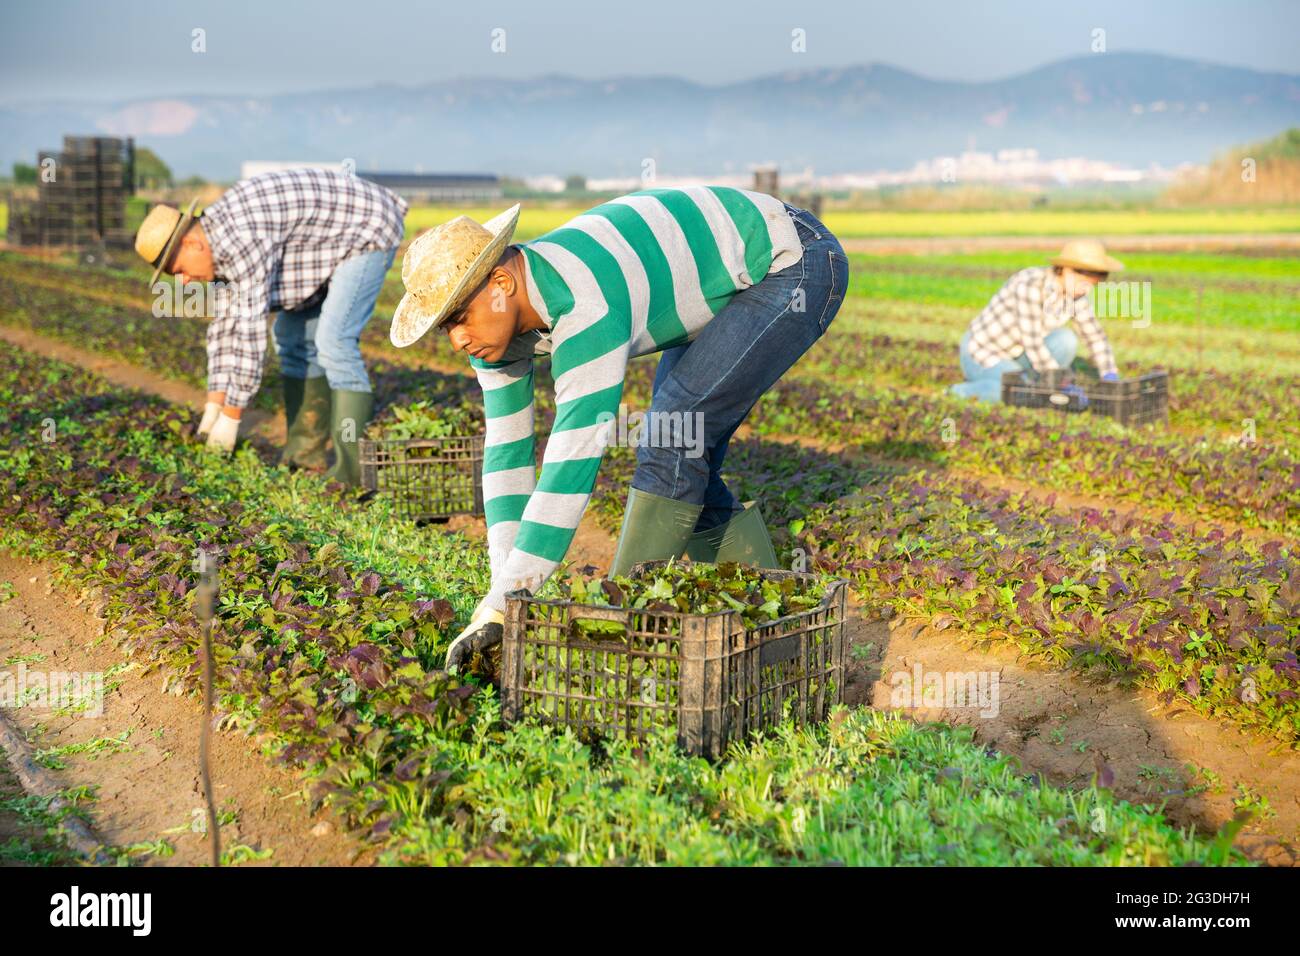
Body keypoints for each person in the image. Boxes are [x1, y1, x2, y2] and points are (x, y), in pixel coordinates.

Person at [388, 187, 849, 671]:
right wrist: (500, 597)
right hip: (723, 276)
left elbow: (572, 460)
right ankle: (772, 627)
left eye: (460, 318)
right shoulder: (494, 336)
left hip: (791, 261)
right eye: (446, 327)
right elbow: (507, 451)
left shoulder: (586, 302)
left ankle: (621, 635)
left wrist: (505, 605)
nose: (458, 339)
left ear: (501, 282)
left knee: (672, 435)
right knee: (685, 448)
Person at [132, 168, 408, 484]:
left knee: (334, 342)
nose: (182, 281)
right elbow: (224, 327)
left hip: (368, 229)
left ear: (193, 243)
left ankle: (351, 473)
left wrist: (231, 419)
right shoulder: (216, 245)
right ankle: (303, 456)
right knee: (290, 337)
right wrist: (213, 407)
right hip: (322, 245)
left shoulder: (240, 238)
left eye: (178, 270)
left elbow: (249, 334)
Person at [948, 239, 1123, 403]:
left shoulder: (1078, 296)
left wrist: (1110, 375)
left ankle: (1035, 385)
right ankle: (958, 391)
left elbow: (1095, 337)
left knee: (1066, 339)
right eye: (1084, 283)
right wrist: (1060, 382)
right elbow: (1031, 341)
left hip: (1019, 354)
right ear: (1065, 269)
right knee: (1016, 393)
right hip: (983, 353)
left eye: (1092, 285)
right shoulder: (1029, 284)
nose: (1086, 290)